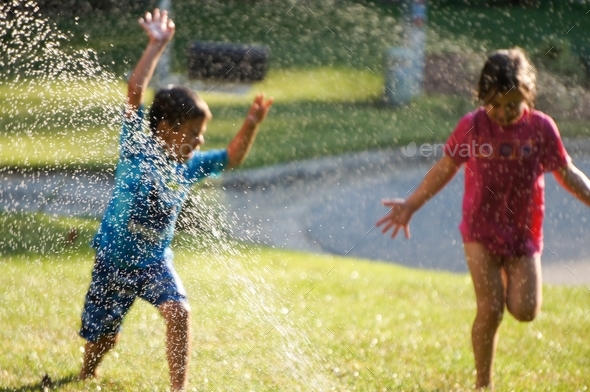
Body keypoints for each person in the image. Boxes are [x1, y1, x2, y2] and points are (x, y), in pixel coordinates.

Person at [78, 9, 273, 391]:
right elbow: (135, 90)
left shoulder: (190, 166)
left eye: (202, 134)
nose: (200, 141)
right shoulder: (137, 147)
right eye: (193, 133)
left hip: (153, 262)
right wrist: (156, 45)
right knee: (104, 336)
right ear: (165, 128)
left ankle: (178, 388)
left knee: (179, 312)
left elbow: (231, 157)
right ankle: (87, 373)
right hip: (113, 260)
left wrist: (250, 125)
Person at [376, 48, 590, 390]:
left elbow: (566, 172)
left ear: (528, 96)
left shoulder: (541, 129)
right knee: (490, 309)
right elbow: (445, 168)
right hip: (480, 230)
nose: (504, 113)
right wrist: (411, 204)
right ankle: (483, 384)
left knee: (524, 310)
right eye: (495, 104)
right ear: (482, 96)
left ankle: (508, 277)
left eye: (512, 105)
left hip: (523, 232)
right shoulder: (472, 126)